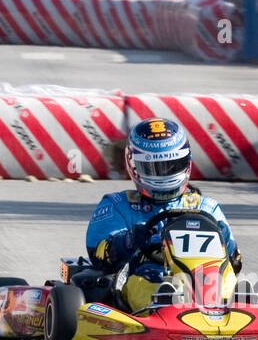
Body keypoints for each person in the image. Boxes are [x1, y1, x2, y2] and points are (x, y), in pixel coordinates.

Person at [85, 117, 240, 313]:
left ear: (186, 161)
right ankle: (165, 304)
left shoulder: (206, 206)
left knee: (227, 280)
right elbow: (98, 256)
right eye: (153, 168)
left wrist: (227, 242)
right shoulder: (119, 205)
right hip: (147, 274)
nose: (164, 174)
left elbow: (235, 263)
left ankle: (234, 304)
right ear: (134, 165)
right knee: (153, 285)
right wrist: (127, 241)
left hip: (206, 278)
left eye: (171, 166)